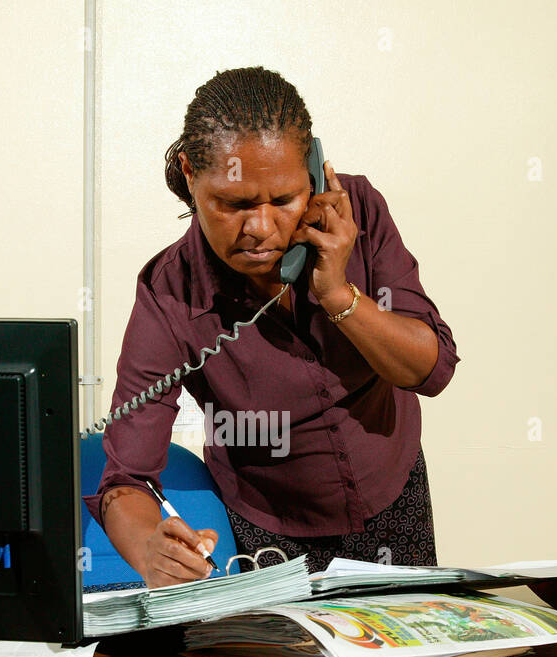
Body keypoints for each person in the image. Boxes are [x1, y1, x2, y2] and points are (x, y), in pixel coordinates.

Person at [85, 66, 458, 587]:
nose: (260, 229)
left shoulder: (359, 212)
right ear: (191, 175)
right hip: (271, 523)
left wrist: (336, 294)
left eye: (283, 200)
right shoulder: (169, 292)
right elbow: (125, 480)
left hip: (391, 493)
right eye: (233, 204)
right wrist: (152, 552)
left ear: (312, 174)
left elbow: (432, 369)